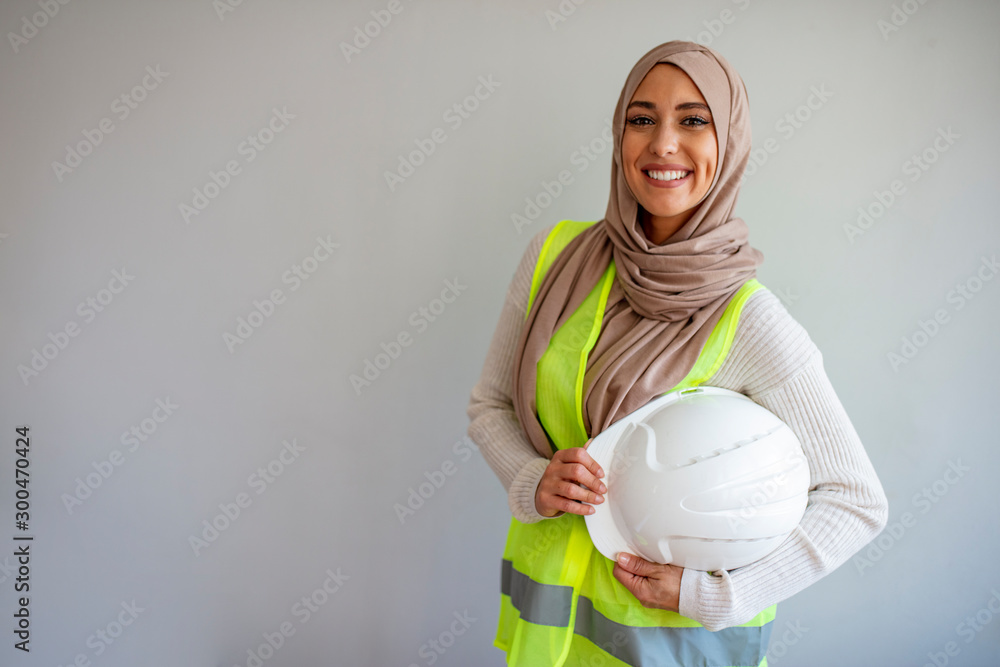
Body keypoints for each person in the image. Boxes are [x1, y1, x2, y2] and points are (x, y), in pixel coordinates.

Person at [466, 40, 888, 667]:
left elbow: (857, 500)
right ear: (619, 135)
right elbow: (491, 405)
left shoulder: (750, 319)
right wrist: (531, 480)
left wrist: (720, 596)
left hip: (673, 647)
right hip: (548, 637)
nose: (663, 143)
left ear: (730, 142)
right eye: (642, 119)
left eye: (694, 120)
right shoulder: (554, 257)